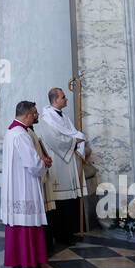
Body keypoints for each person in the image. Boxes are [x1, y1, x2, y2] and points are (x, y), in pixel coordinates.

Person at [1, 101, 52, 268]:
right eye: (35, 114)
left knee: (18, 225)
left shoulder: (11, 132)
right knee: (27, 225)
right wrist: (44, 164)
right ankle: (26, 265)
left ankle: (17, 264)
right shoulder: (21, 135)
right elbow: (33, 164)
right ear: (27, 115)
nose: (36, 117)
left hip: (15, 185)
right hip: (24, 186)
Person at [38, 88, 91, 245]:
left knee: (70, 201)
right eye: (63, 97)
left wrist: (77, 138)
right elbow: (55, 139)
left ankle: (69, 232)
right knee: (60, 203)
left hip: (68, 161)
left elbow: (71, 133)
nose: (66, 99)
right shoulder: (46, 118)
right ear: (55, 100)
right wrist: (75, 142)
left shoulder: (64, 116)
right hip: (59, 163)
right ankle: (61, 235)